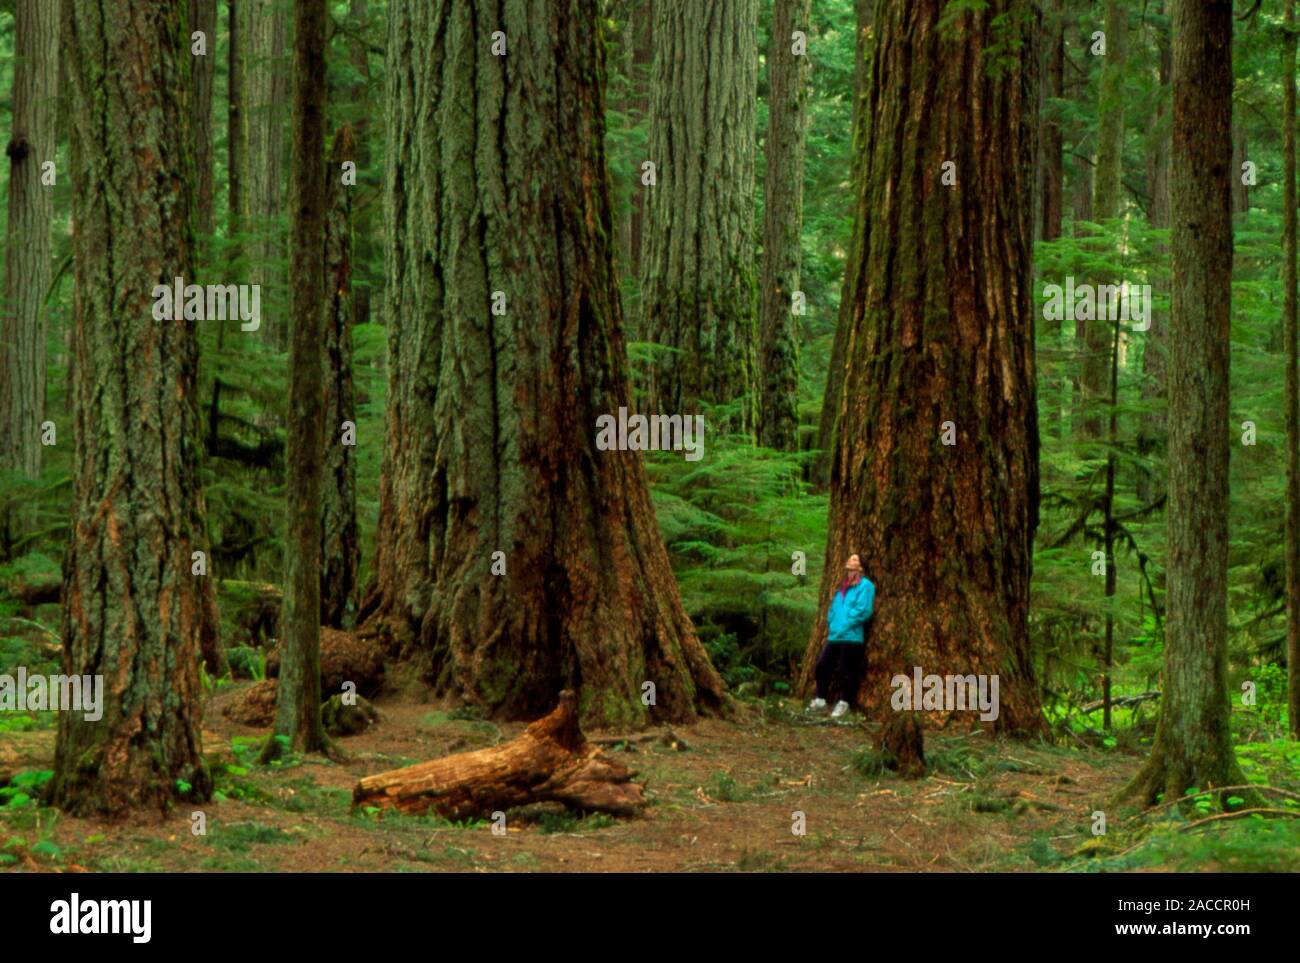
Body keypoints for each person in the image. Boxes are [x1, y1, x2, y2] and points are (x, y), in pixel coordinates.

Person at [808, 553, 874, 718]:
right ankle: (820, 700)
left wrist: (845, 624)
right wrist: (832, 622)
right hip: (835, 635)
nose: (851, 561)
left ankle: (845, 703)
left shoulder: (866, 586)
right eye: (849, 558)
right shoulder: (843, 587)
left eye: (855, 559)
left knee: (848, 671)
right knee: (822, 666)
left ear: (861, 566)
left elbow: (864, 610)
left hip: (852, 637)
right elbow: (834, 609)